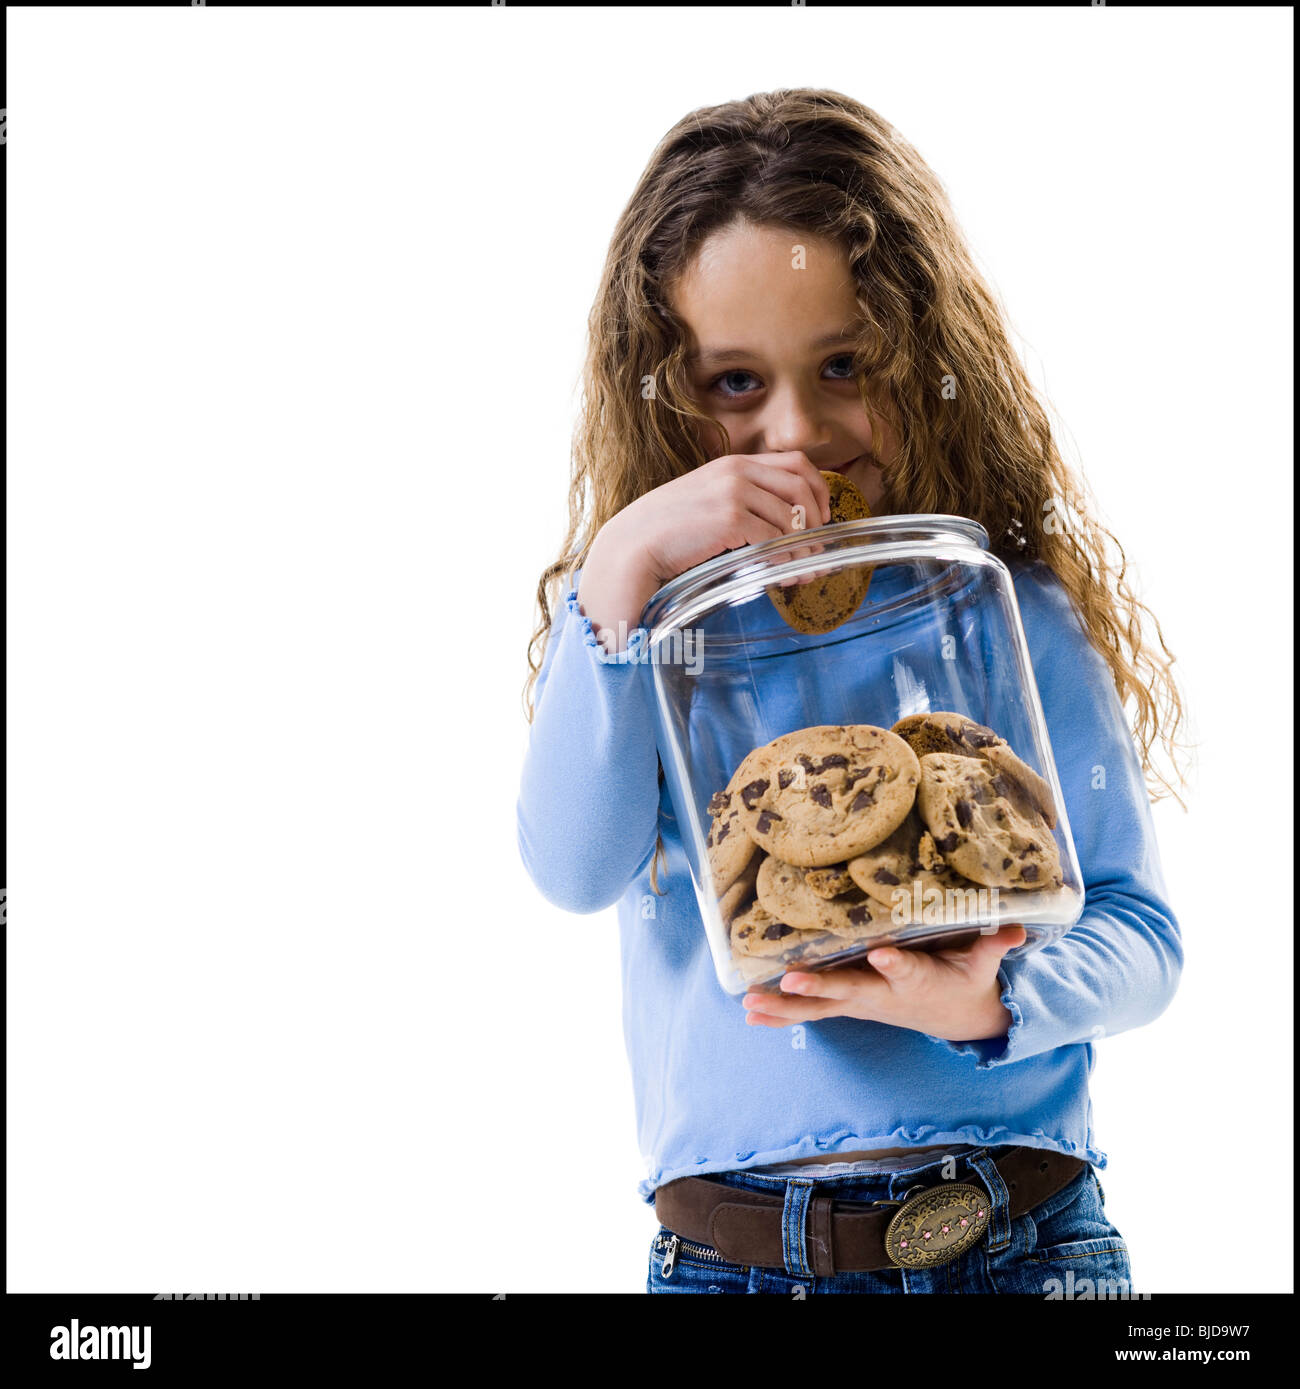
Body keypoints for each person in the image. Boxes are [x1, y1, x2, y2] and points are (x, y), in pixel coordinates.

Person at [516, 89, 1188, 1294]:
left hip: (1014, 1242)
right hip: (731, 1256)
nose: (797, 432)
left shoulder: (1007, 615)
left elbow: (1138, 936)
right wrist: (619, 566)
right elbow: (571, 865)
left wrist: (993, 999)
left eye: (843, 366)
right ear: (662, 392)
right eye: (733, 383)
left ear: (920, 358)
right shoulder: (650, 645)